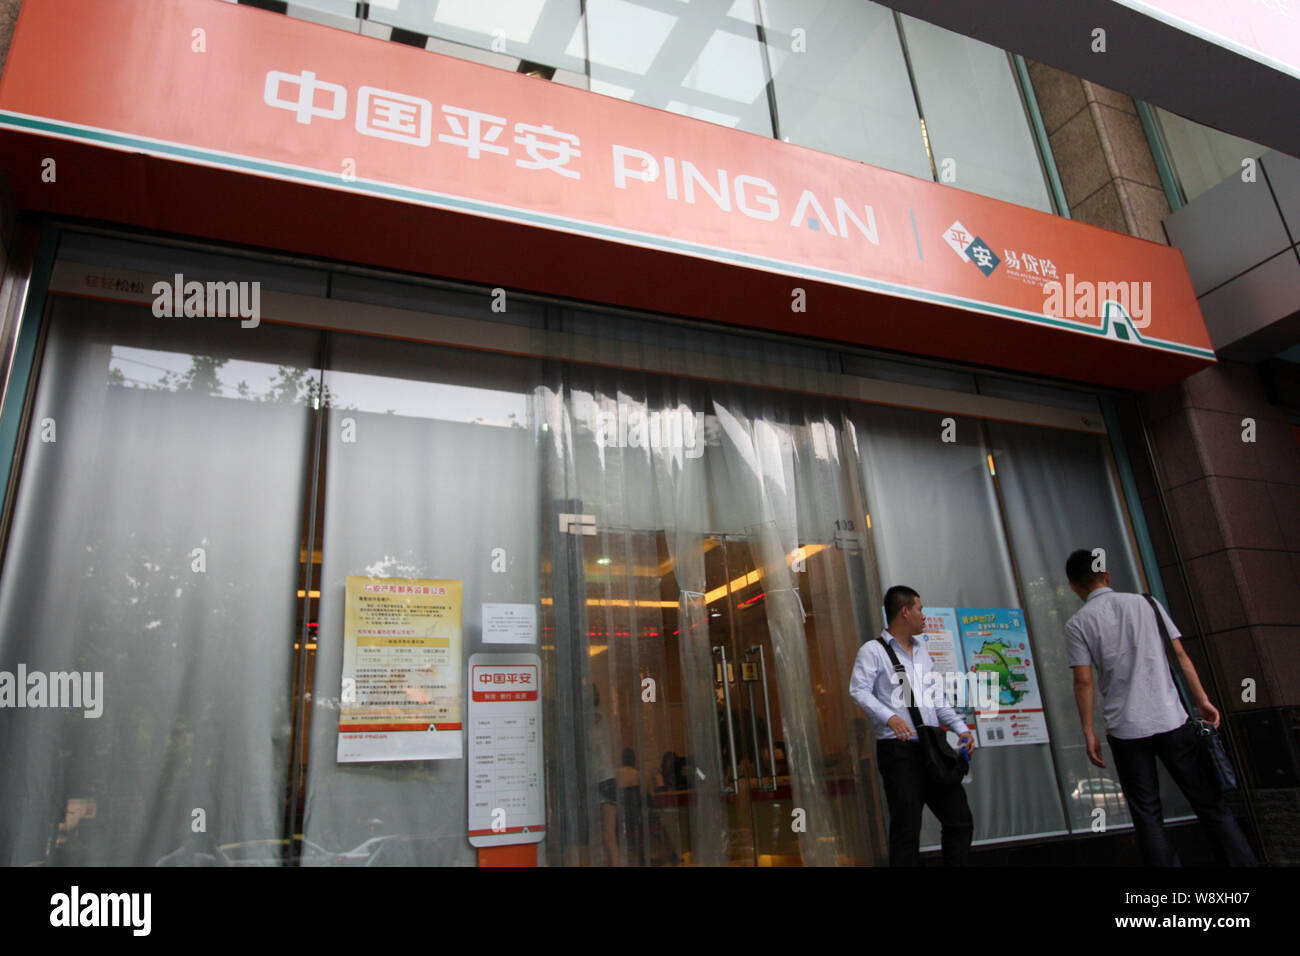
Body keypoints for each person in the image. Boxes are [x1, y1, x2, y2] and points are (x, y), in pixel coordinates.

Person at [1062, 549, 1257, 866]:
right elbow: (1180, 655)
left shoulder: (1077, 624)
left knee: (1147, 814)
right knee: (1209, 803)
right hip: (1171, 719)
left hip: (1125, 731)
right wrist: (1202, 699)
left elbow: (1083, 681)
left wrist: (1088, 732)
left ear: (1073, 586)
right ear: (1107, 577)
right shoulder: (1147, 603)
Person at [849, 585, 975, 866]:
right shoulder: (874, 651)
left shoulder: (922, 653)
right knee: (907, 828)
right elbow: (859, 690)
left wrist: (961, 729)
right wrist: (889, 717)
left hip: (932, 747)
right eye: (920, 609)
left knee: (959, 819)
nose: (924, 615)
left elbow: (937, 698)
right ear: (904, 612)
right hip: (899, 752)